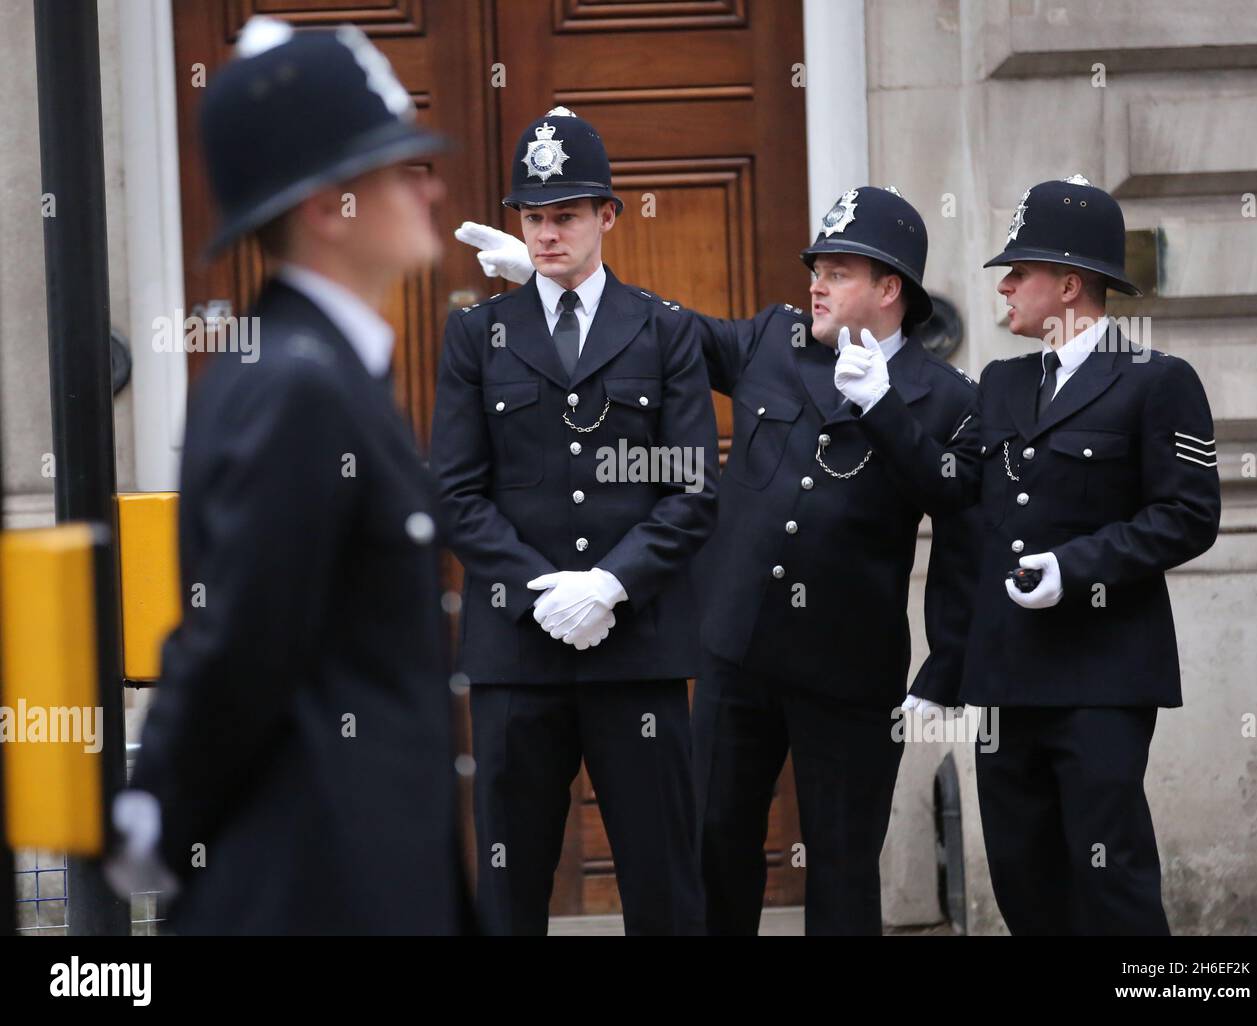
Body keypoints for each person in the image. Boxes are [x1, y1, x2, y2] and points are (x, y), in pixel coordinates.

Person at [456, 184, 980, 935]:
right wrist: (552, 280)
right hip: (737, 649)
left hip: (849, 668)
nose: (816, 284)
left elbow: (960, 520)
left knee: (841, 868)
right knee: (711, 846)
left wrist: (942, 673)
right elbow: (671, 330)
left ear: (888, 287)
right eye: (816, 268)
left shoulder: (947, 398)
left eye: (836, 271)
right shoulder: (775, 338)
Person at [112, 16, 469, 934]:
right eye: (399, 168)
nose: (428, 188)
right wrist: (156, 807)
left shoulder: (319, 367)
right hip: (315, 890)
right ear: (326, 206)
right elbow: (239, 640)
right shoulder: (298, 385)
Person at [840, 175, 1222, 934]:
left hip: (1102, 678)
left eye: (1020, 272)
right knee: (1024, 880)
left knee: (1110, 879)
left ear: (1071, 284)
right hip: (1008, 679)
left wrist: (1074, 568)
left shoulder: (1159, 383)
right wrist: (882, 406)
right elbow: (961, 507)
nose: (1005, 286)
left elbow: (1187, 516)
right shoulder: (1006, 384)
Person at [431, 108, 718, 935]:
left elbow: (692, 487)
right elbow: (456, 492)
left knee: (662, 883)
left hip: (638, 648)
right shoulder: (476, 337)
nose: (547, 233)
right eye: (535, 217)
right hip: (516, 653)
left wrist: (610, 584)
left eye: (565, 215)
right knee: (511, 887)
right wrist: (539, 590)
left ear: (607, 217)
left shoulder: (663, 331)